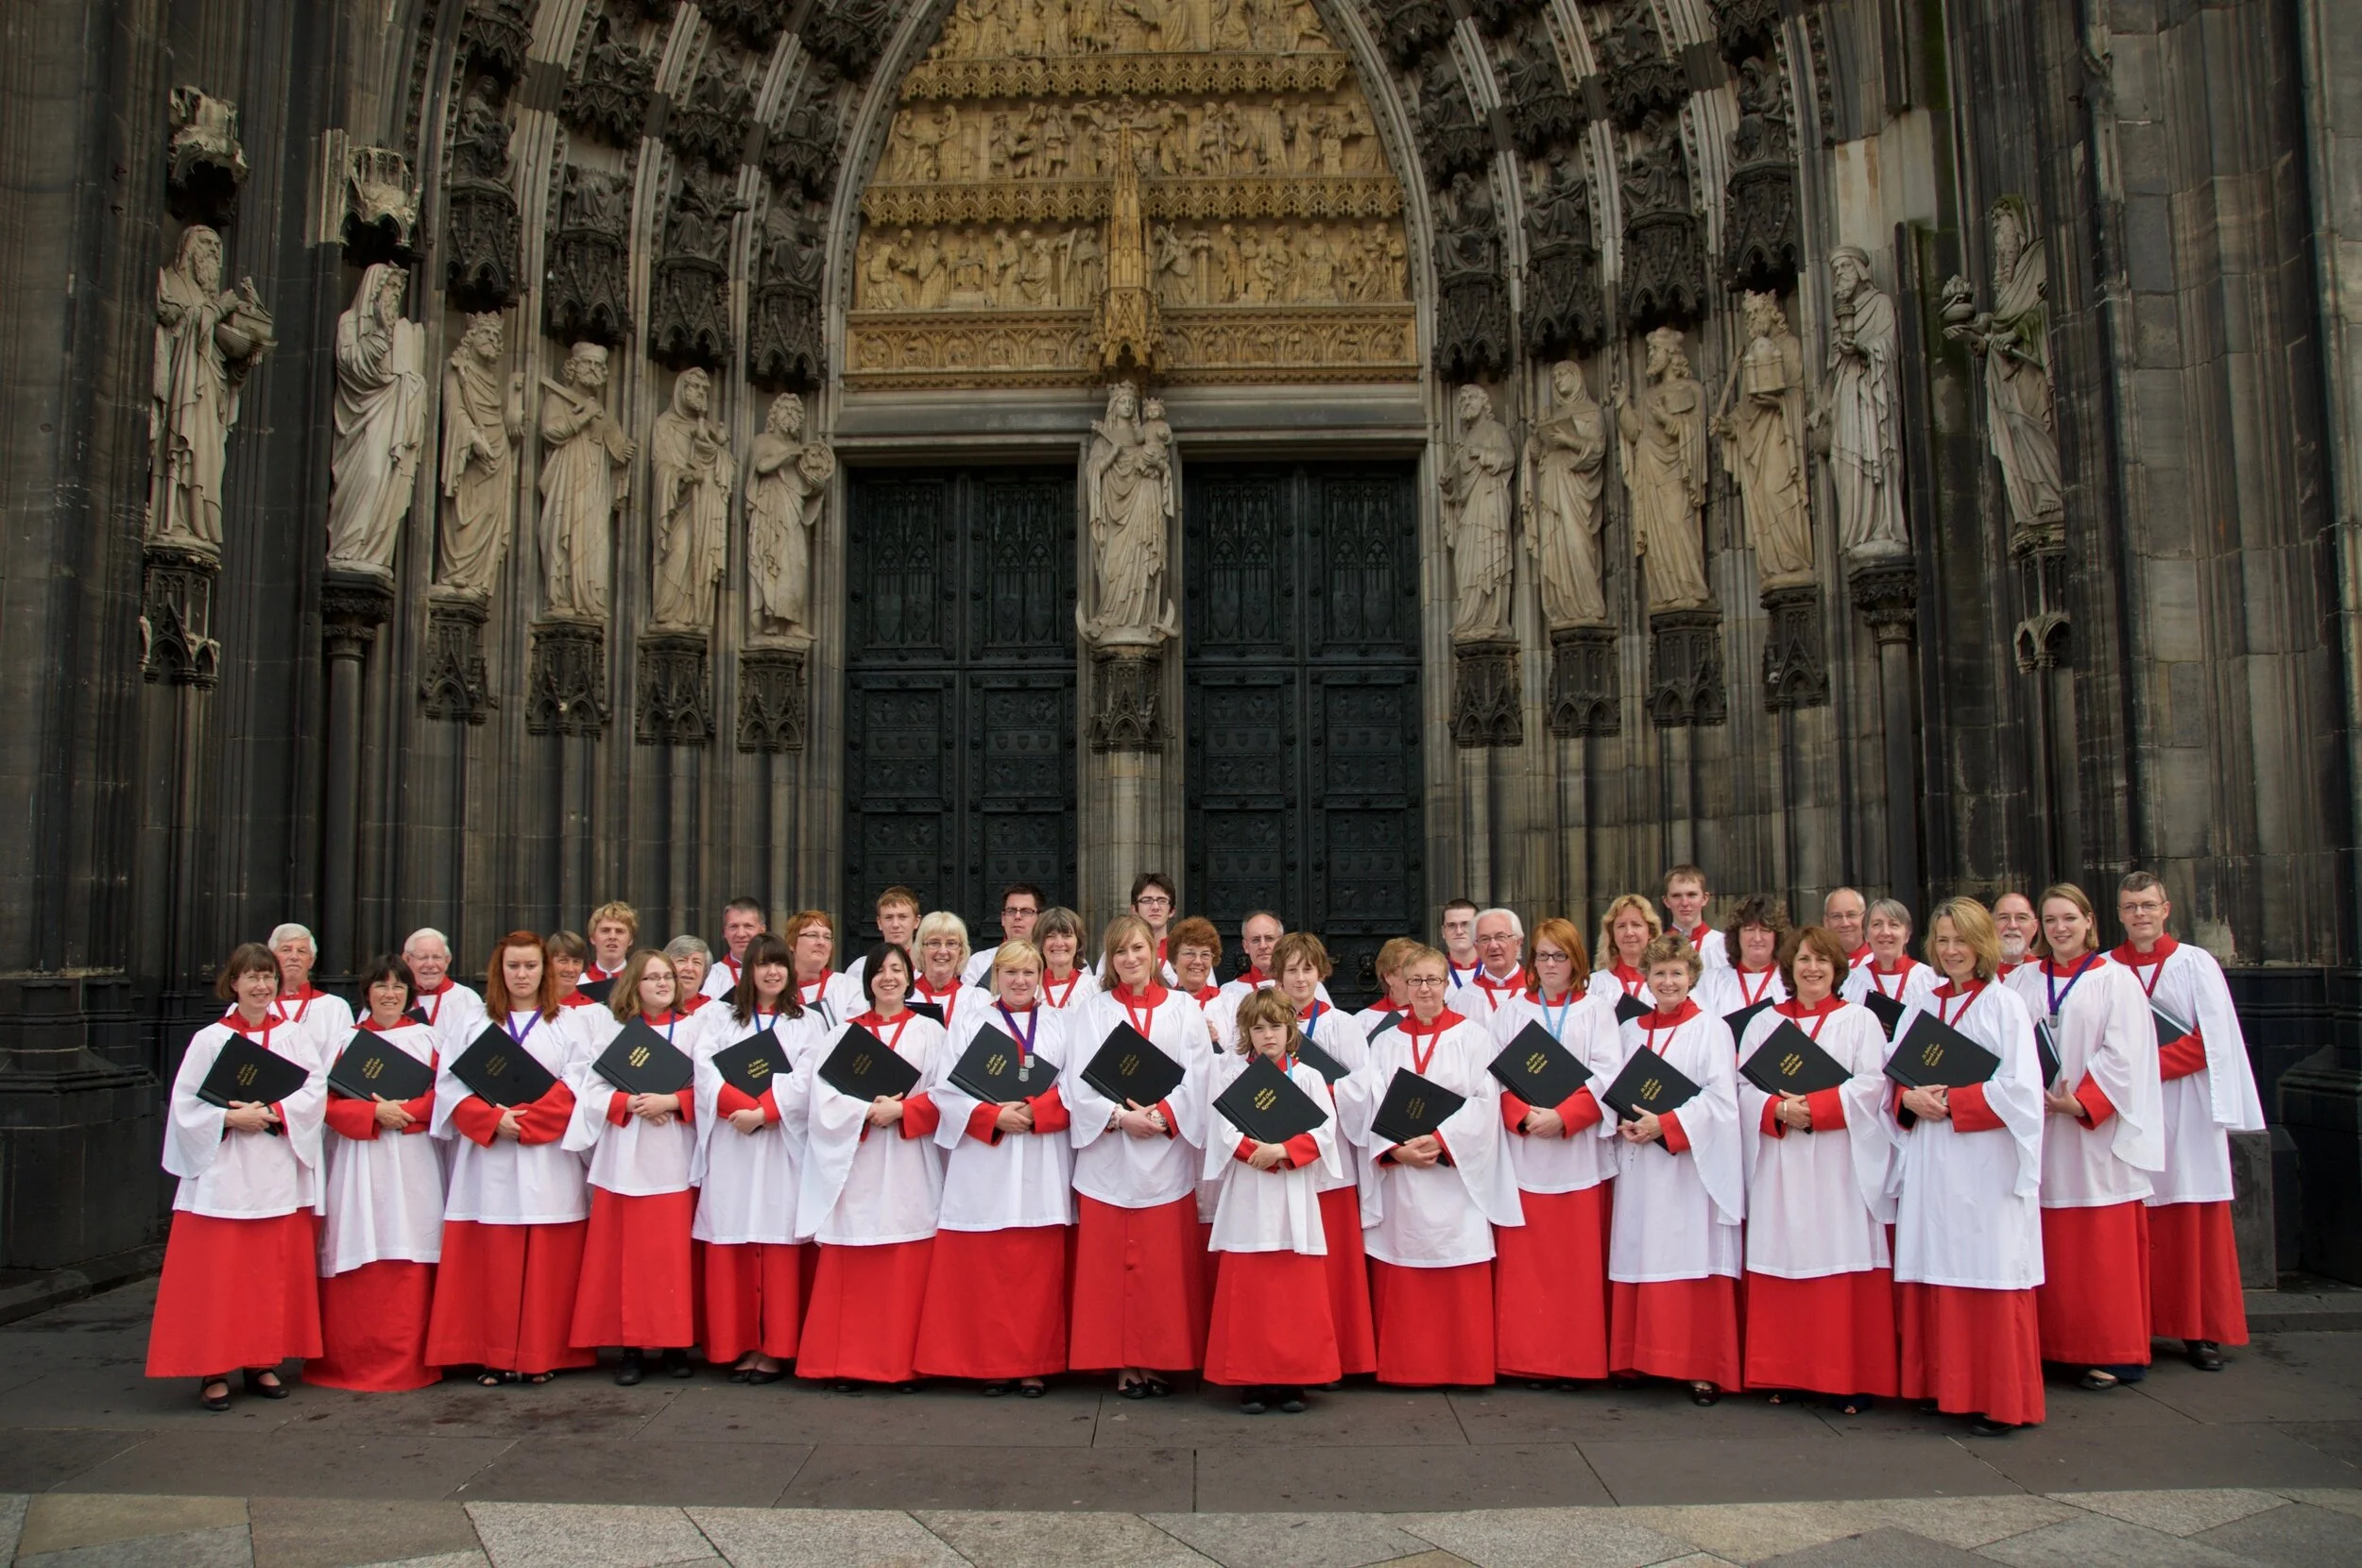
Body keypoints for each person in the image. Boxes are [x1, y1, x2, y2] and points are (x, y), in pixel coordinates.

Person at [1889, 898, 2045, 1435]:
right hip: (1933, 1161)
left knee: (1987, 1268)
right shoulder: (1921, 1006)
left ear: (1982, 945)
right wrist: (1906, 1100)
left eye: (1962, 940)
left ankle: (1998, 1397)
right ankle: (1947, 1386)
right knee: (1939, 1265)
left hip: (1984, 1162)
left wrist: (1956, 1102)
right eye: (1944, 940)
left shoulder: (2003, 1006)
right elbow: (1894, 1077)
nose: (1952, 951)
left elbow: (2022, 1091)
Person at [148, 943, 327, 1410]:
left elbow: (314, 1091)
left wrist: (272, 1111)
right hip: (223, 1174)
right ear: (234, 984)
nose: (262, 986)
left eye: (268, 977)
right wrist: (229, 1120)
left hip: (273, 1171)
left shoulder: (293, 1037)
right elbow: (186, 1103)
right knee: (219, 1275)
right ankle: (213, 1368)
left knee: (264, 1273)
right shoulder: (210, 1039)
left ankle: (261, 1360)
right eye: (252, 977)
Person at [2005, 882, 2164, 1390]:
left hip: (2092, 1133)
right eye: (2050, 921)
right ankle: (2053, 1346)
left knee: (2099, 1248)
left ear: (2089, 921)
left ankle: (2110, 1351)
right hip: (2039, 1128)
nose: (2060, 929)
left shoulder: (2115, 980)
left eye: (2068, 918)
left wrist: (2084, 1102)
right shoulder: (2021, 982)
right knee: (2047, 1239)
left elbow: (2127, 1053)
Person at [1342, 944, 1520, 1388]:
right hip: (1403, 1173)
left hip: (1454, 1176)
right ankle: (1407, 1366)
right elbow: (1371, 1101)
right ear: (1400, 983)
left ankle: (1463, 1365)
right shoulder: (1385, 1041)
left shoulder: (1473, 1036)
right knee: (1405, 1260)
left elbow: (1485, 1102)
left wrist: (1442, 1140)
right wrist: (1395, 1149)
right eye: (1416, 980)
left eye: (1433, 980)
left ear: (1447, 985)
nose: (1424, 989)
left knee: (1456, 1260)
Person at [1734, 926, 1895, 1412]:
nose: (1812, 968)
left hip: (1838, 1163)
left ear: (1836, 967)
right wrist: (1778, 1111)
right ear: (1790, 967)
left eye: (1822, 960)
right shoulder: (1764, 1023)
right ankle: (1783, 1371)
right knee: (1784, 1253)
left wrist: (1818, 1109)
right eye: (1803, 959)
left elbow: (1873, 1086)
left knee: (1840, 1252)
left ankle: (1847, 1376)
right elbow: (1743, 1089)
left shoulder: (1860, 1021)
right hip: (1782, 1161)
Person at [424, 932, 595, 1386]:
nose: (522, 975)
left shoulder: (569, 1024)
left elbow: (580, 1083)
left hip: (546, 1159)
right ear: (499, 971)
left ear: (545, 971)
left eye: (530, 966)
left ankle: (543, 1353)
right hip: (490, 1160)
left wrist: (532, 1121)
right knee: (493, 1260)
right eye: (513, 966)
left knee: (547, 1262)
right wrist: (489, 1120)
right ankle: (493, 1353)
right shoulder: (472, 1023)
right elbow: (449, 1085)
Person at [2114, 873, 2263, 1370]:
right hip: (2131, 1110)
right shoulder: (2107, 969)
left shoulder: (2195, 964)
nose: (2140, 914)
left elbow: (2211, 1041)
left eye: (2147, 905)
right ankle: (2139, 1326)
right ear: (2118, 914)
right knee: (2135, 1217)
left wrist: (2142, 1066)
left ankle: (2200, 1332)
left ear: (2166, 908)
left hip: (2187, 1105)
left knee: (2193, 1218)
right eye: (2131, 906)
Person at [915, 939, 1075, 1395]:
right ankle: (990, 1364)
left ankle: (1033, 1363)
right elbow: (946, 1090)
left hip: (1040, 1157)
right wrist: (991, 1117)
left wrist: (1033, 1112)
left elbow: (1073, 1088)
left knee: (1034, 1270)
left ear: (1040, 977)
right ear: (995, 977)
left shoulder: (1061, 1024)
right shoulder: (971, 1022)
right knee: (987, 1269)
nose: (1020, 981)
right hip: (986, 1158)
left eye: (1028, 973)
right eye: (1011, 973)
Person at [1067, 912, 1211, 1397]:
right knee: (1110, 1269)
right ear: (1113, 958)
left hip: (1165, 1155)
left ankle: (1159, 1357)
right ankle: (1122, 1361)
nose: (1132, 959)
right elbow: (1076, 1079)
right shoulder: (1093, 1011)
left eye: (1140, 950)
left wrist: (1165, 1113)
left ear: (1156, 955)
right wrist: (1117, 1117)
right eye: (1123, 951)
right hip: (1111, 1155)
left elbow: (1200, 1075)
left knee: (1161, 1268)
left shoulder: (1184, 1010)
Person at [793, 942, 947, 1389]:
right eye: (880, 971)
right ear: (869, 980)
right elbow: (821, 1098)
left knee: (905, 1260)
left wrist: (904, 1112)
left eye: (897, 970)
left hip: (908, 1159)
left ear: (909, 977)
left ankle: (903, 1364)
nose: (889, 978)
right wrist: (863, 1112)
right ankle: (848, 1363)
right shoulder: (843, 1035)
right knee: (855, 1259)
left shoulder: (930, 1032)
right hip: (857, 1161)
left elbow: (944, 1093)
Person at [1606, 932, 1743, 1404]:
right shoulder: (1629, 1031)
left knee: (1689, 1257)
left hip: (1688, 1168)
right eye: (1659, 973)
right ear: (1646, 978)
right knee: (1641, 1249)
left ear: (1693, 978)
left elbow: (1722, 1100)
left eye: (1677, 973)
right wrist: (1625, 1120)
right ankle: (1637, 1357)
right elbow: (1614, 1089)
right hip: (1641, 1165)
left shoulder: (1711, 1029)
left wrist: (1666, 1124)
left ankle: (1700, 1365)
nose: (1668, 982)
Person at [1487, 917, 1619, 1387]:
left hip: (1575, 1154)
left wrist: (1565, 1116)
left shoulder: (1597, 1011)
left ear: (1576, 960)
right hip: (1526, 1153)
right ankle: (1527, 1359)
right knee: (1528, 1269)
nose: (1548, 965)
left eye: (1558, 956)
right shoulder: (1511, 1011)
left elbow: (1607, 1074)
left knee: (1573, 1267)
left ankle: (1575, 1362)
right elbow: (1493, 1077)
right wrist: (1522, 1115)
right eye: (1542, 956)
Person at [1202, 988, 1347, 1414]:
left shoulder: (1308, 1078)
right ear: (1246, 1031)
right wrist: (1255, 1153)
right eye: (1258, 1027)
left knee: (1292, 1290)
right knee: (1249, 1287)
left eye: (1275, 1027)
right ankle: (1251, 1379)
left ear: (1290, 1029)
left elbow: (1325, 1130)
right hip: (1248, 1190)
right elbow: (1223, 1128)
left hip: (1291, 1188)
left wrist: (1282, 1152)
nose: (1267, 1035)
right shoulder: (1232, 1076)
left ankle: (1292, 1380)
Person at [309, 953, 445, 1392]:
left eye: (399, 986)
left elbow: (447, 1096)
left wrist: (404, 1111)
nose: (390, 994)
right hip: (359, 1158)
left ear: (410, 993)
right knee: (358, 1237)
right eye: (382, 986)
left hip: (412, 1157)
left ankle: (412, 1359)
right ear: (366, 992)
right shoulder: (343, 1042)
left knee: (411, 1236)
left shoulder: (429, 1039)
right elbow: (322, 1104)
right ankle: (352, 1359)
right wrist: (372, 1113)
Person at [567, 948, 700, 1384]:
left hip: (675, 1156)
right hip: (625, 1157)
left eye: (668, 977)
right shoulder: (615, 1031)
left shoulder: (696, 1028)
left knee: (671, 1258)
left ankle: (677, 1344)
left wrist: (675, 1101)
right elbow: (590, 1090)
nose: (663, 984)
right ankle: (630, 1348)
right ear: (633, 986)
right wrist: (628, 1102)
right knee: (627, 1259)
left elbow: (714, 1087)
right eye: (651, 978)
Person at [693, 932, 818, 1384]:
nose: (771, 972)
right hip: (733, 1141)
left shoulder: (807, 1022)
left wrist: (764, 1112)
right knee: (734, 1235)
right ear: (748, 971)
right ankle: (737, 1343)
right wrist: (736, 1109)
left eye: (779, 964)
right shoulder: (721, 1018)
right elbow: (703, 1071)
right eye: (762, 964)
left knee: (776, 1239)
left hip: (778, 1143)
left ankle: (776, 1347)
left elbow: (808, 1079)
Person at [1269, 930, 1377, 1378]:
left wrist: (1321, 1089)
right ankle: (1294, 1354)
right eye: (1291, 970)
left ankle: (1338, 1357)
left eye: (1307, 969)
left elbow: (1363, 1086)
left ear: (1321, 972)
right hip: (1279, 1154)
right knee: (1290, 1266)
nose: (1299, 978)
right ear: (1277, 975)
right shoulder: (1267, 1022)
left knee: (1330, 1264)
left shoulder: (1340, 1025)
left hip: (1327, 1161)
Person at [1698, 895, 1789, 1022]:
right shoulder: (1713, 982)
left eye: (1765, 930)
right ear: (1737, 935)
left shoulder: (1790, 981)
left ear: (1776, 936)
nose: (1757, 938)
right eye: (1749, 930)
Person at [268, 922, 355, 1052]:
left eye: (301, 951)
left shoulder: (336, 1007)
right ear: (271, 958)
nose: (294, 957)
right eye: (286, 950)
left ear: (311, 961)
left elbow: (345, 1058)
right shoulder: (256, 1006)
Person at [1844, 898, 1934, 1022]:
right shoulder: (1849, 983)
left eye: (1894, 925)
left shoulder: (1931, 981)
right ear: (1865, 934)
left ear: (1907, 935)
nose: (1885, 932)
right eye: (1877, 924)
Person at [404, 927, 488, 1053]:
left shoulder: (467, 999)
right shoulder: (393, 998)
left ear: (447, 960)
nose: (430, 964)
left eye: (437, 957)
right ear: (407, 960)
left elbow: (480, 1050)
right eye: (422, 957)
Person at [912, 911, 992, 1035]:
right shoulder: (904, 997)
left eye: (951, 943)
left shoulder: (978, 999)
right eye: (934, 943)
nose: (943, 951)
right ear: (921, 949)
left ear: (961, 951)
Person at [1589, 894, 1663, 1012]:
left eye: (1636, 925)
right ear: (1612, 934)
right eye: (1621, 926)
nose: (1629, 932)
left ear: (1650, 932)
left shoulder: (1665, 981)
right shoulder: (1595, 983)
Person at [784, 908, 859, 1026]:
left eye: (827, 937)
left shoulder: (849, 987)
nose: (821, 942)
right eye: (813, 935)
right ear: (791, 944)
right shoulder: (776, 987)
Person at [843, 886, 923, 993]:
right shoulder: (860, 968)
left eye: (902, 917)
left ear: (916, 921)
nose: (895, 925)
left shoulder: (928, 967)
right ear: (879, 922)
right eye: (888, 918)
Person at [963, 883, 1046, 986]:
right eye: (1011, 911)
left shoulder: (1049, 961)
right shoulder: (979, 962)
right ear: (1003, 918)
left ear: (1040, 919)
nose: (1017, 916)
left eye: (1026, 911)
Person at [1170, 915, 1231, 1045]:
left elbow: (1239, 1054)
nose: (1198, 961)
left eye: (1205, 954)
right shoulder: (1164, 1006)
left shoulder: (1229, 1003)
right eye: (1190, 953)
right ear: (1174, 961)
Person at [1035, 906, 1100, 1012]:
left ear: (1078, 942)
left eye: (1067, 935)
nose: (1059, 943)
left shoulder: (1094, 988)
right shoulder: (1029, 989)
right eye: (1050, 936)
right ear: (1040, 943)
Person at [1662, 865, 1727, 969]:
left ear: (1705, 898)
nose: (1684, 903)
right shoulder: (1657, 947)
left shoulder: (1725, 946)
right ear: (1666, 901)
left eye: (1691, 895)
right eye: (1676, 896)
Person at [704, 897, 766, 1001]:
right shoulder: (709, 976)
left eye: (748, 926)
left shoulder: (777, 974)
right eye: (733, 927)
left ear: (762, 931)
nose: (741, 934)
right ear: (725, 932)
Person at [1467, 908, 1528, 1015]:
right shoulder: (1463, 999)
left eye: (1500, 937)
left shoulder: (1539, 990)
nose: (1493, 946)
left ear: (1518, 942)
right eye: (1484, 939)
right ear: (1476, 947)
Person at [1357, 937, 1418, 1034]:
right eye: (1409, 966)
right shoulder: (1363, 1021)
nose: (1418, 972)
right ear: (1388, 976)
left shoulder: (1436, 1016)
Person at [585, 902, 639, 984]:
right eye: (605, 931)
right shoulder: (577, 981)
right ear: (592, 938)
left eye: (619, 931)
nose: (612, 937)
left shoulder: (639, 981)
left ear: (630, 940)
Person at [1822, 888, 1871, 970]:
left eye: (1851, 915)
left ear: (1865, 918)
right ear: (1826, 922)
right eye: (1836, 916)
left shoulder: (1879, 960)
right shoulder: (1817, 964)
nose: (1845, 923)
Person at [665, 935, 716, 1015]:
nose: (689, 968)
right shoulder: (649, 1009)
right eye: (682, 960)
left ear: (705, 972)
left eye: (697, 962)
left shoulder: (718, 1013)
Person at [547, 929, 598, 1008]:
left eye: (576, 962)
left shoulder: (593, 1010)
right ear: (548, 963)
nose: (570, 969)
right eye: (563, 961)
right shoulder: (529, 1005)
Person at [1993, 893, 2039, 979]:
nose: (2012, 925)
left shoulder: (2044, 974)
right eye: (2003, 917)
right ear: (1991, 925)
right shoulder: (1976, 972)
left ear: (2034, 927)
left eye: (2021, 918)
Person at [1440, 899, 1481, 990]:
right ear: (1443, 932)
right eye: (1451, 925)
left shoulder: (1493, 971)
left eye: (1466, 924)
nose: (1459, 931)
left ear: (1478, 929)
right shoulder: (1431, 972)